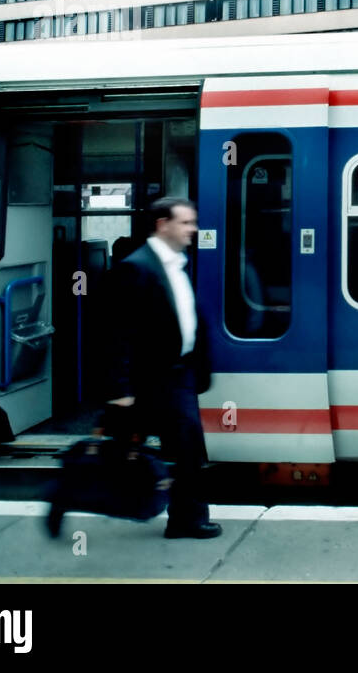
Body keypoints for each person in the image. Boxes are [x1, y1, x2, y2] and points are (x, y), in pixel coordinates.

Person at [108, 197, 219, 539]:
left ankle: (185, 517)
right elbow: (117, 334)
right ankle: (186, 518)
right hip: (157, 378)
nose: (193, 230)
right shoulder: (137, 267)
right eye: (186, 223)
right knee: (182, 450)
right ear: (162, 224)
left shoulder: (174, 264)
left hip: (180, 374)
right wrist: (121, 390)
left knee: (187, 449)